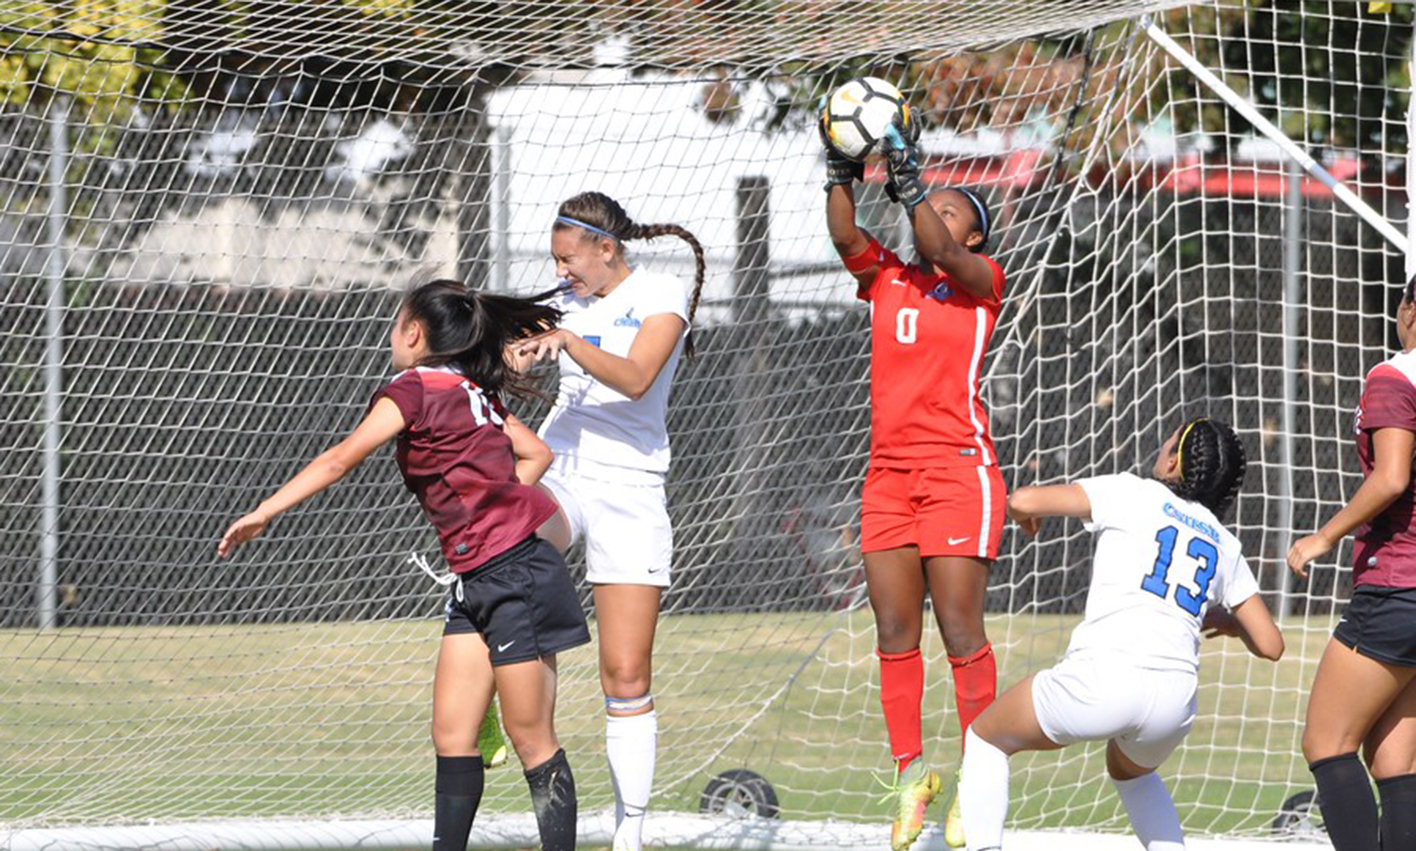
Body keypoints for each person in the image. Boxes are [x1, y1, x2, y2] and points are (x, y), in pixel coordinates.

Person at [218, 280, 589, 851]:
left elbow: (341, 458)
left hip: (517, 574)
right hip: (479, 577)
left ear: (413, 332)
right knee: (452, 735)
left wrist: (264, 511)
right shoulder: (470, 387)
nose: (393, 333)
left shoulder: (413, 387)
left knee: (530, 738)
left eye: (396, 323)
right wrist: (488, 516)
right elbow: (536, 454)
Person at [960, 418, 1283, 851]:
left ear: (1174, 463)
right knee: (1133, 774)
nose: (1163, 444)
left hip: (1105, 678)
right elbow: (1270, 645)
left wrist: (1023, 514)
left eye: (1169, 440)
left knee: (985, 739)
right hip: (1174, 701)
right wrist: (1224, 621)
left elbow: (1020, 498)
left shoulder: (1131, 491)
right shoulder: (1224, 543)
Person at [822, 110, 1006, 849]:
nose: (939, 211)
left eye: (955, 210)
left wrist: (910, 187)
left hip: (959, 472)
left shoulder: (980, 283)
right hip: (888, 479)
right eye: (938, 201)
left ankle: (979, 777)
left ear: (973, 239)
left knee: (961, 631)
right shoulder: (889, 278)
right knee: (895, 631)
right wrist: (840, 170)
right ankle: (911, 778)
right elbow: (843, 235)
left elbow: (928, 231)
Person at [516, 191, 706, 851]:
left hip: (632, 486)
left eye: (570, 258)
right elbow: (511, 353)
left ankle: (630, 831)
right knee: (506, 552)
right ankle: (497, 693)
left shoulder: (661, 292)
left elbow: (635, 378)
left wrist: (567, 339)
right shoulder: (561, 303)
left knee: (625, 672)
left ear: (606, 246)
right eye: (555, 260)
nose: (563, 271)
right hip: (564, 470)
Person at [1287, 277, 1416, 851]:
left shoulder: (1393, 376)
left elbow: (1390, 478)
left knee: (1327, 742)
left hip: (1399, 585)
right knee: (1393, 758)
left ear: (1408, 309)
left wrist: (1324, 537)